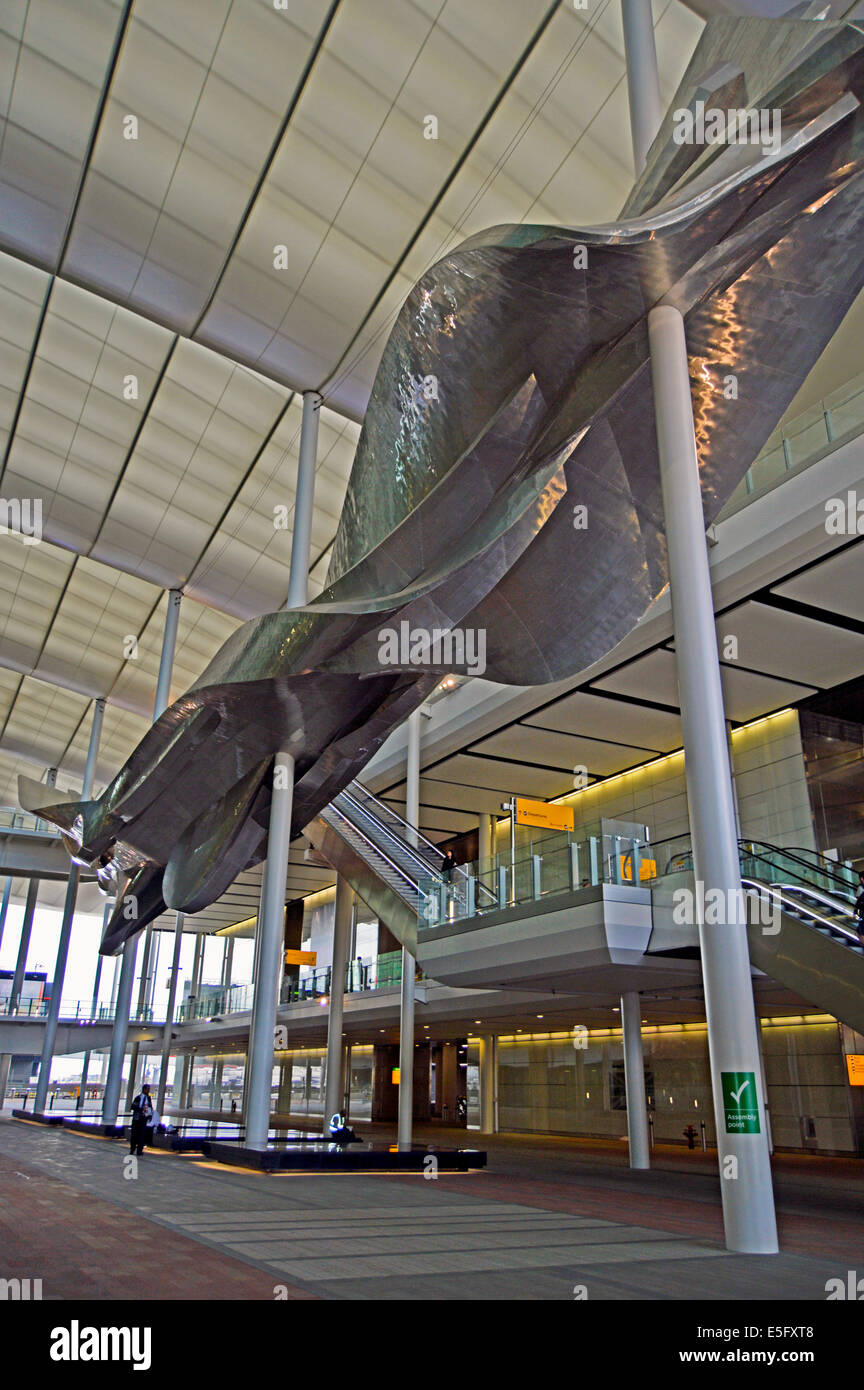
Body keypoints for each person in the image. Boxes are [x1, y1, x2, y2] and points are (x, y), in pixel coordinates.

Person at [129, 1083, 154, 1156]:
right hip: (137, 1118)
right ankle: (132, 1149)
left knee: (142, 1134)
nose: (148, 1091)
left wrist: (150, 1115)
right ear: (144, 1089)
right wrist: (141, 1109)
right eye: (147, 1089)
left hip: (144, 1118)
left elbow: (150, 1107)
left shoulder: (148, 1098)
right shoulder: (138, 1098)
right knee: (134, 1134)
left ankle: (139, 1150)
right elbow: (133, 1106)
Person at [855, 871, 864, 945]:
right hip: (860, 911)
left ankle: (858, 933)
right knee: (861, 925)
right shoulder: (860, 888)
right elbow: (858, 901)